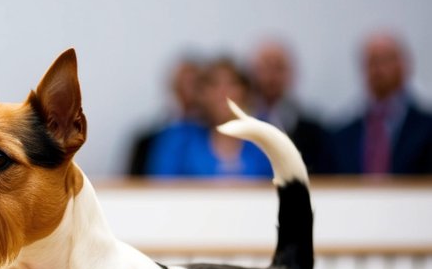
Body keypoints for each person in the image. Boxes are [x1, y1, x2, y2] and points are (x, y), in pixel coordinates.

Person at [145, 56, 271, 179]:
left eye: (232, 83)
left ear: (245, 91)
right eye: (214, 84)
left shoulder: (264, 141)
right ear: (201, 94)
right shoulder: (178, 141)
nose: (223, 92)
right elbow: (161, 189)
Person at [327, 31, 432, 176]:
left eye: (385, 60)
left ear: (404, 65)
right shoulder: (341, 137)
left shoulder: (426, 128)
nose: (378, 69)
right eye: (371, 62)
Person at [248, 39, 331, 174]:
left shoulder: (313, 132)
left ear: (291, 74)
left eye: (279, 68)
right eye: (266, 68)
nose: (272, 76)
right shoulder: (240, 125)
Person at [127, 55, 201, 176]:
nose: (189, 91)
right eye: (183, 84)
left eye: (195, 85)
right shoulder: (147, 141)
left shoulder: (218, 140)